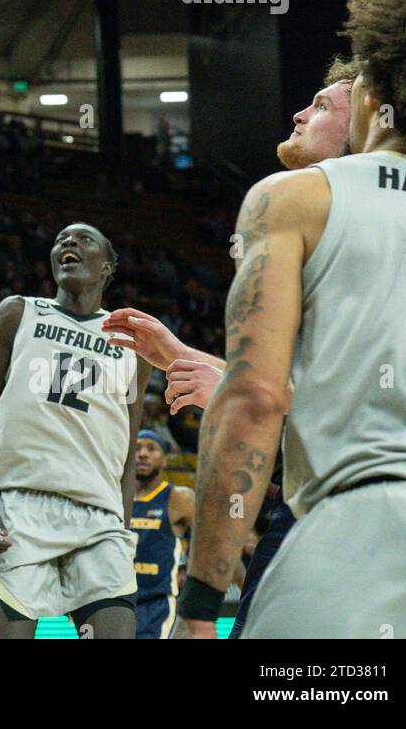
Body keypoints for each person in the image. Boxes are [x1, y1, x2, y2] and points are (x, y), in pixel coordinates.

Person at [183, 0, 406, 639]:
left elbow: (253, 404)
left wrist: (198, 609)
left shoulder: (297, 198)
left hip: (362, 530)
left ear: (373, 94)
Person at [102, 61, 357, 637]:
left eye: (321, 105)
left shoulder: (300, 210)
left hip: (341, 512)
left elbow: (295, 396)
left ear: (366, 118)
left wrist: (198, 603)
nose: (299, 113)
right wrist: (180, 357)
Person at [0, 223, 153, 639]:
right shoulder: (18, 313)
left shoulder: (132, 343)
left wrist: (122, 525)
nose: (68, 243)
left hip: (99, 518)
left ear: (107, 266)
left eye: (84, 239)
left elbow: (127, 447)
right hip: (20, 507)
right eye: (60, 240)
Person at [130, 430, 193, 639]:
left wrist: (187, 568)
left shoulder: (178, 498)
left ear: (164, 460)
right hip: (115, 600)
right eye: (137, 448)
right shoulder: (115, 496)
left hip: (155, 603)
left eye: (151, 448)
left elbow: (208, 539)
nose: (143, 454)